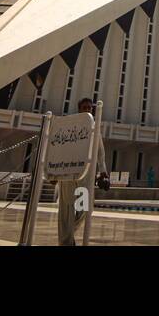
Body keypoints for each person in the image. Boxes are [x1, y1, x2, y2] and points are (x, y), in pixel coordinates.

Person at [57, 98, 107, 246]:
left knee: (84, 207)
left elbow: (100, 152)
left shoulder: (94, 127)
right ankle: (66, 242)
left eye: (89, 108)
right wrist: (54, 172)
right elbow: (59, 148)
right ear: (79, 109)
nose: (87, 110)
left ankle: (68, 234)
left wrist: (103, 171)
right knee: (66, 209)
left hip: (85, 174)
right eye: (84, 107)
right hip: (67, 172)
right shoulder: (70, 125)